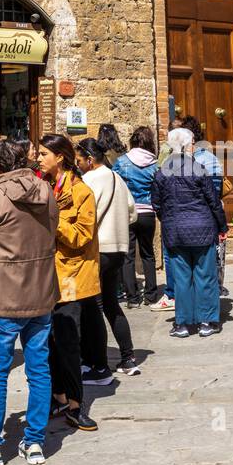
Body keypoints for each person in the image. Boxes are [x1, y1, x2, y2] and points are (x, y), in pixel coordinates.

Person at [0, 140, 59, 465]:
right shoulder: (46, 189)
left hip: (4, 296)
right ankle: (34, 442)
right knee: (39, 369)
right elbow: (53, 233)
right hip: (40, 292)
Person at [38, 134, 101, 431]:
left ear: (59, 158)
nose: (38, 159)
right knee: (48, 341)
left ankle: (77, 404)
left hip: (72, 276)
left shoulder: (81, 193)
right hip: (46, 275)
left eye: (43, 154)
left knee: (68, 341)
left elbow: (81, 236)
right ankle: (58, 396)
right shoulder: (44, 187)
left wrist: (53, 218)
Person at [151, 127, 227, 338]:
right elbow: (214, 202)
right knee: (205, 275)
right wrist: (222, 227)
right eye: (192, 142)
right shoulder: (199, 170)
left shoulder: (161, 173)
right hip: (202, 229)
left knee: (181, 278)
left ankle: (182, 323)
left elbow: (156, 204)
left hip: (175, 232)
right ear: (186, 146)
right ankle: (207, 321)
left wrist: (168, 221)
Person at [76, 137, 138, 375]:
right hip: (118, 249)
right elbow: (131, 212)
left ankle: (97, 364)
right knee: (111, 304)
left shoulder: (88, 180)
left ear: (90, 160)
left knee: (92, 307)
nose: (78, 164)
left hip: (97, 249)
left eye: (80, 160)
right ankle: (128, 357)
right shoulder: (117, 177)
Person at [179, 116, 228, 298]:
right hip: (207, 217)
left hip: (192, 219)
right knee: (213, 261)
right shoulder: (211, 159)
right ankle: (213, 294)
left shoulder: (175, 163)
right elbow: (217, 192)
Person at [114, 126, 160, 308]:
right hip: (148, 212)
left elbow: (116, 186)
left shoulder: (121, 162)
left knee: (128, 256)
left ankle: (133, 298)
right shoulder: (155, 164)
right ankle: (151, 295)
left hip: (128, 212)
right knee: (148, 254)